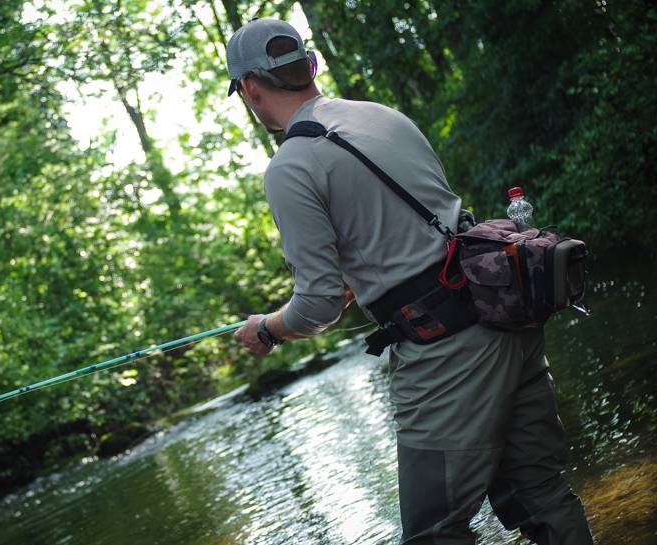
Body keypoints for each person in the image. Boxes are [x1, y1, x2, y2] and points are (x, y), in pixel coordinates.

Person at [226, 18, 593, 545]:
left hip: (446, 355)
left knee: (432, 533)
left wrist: (267, 328)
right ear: (309, 66)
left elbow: (317, 306)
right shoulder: (379, 115)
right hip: (506, 311)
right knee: (543, 496)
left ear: (250, 88)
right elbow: (420, 229)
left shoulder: (291, 166)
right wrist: (360, 278)